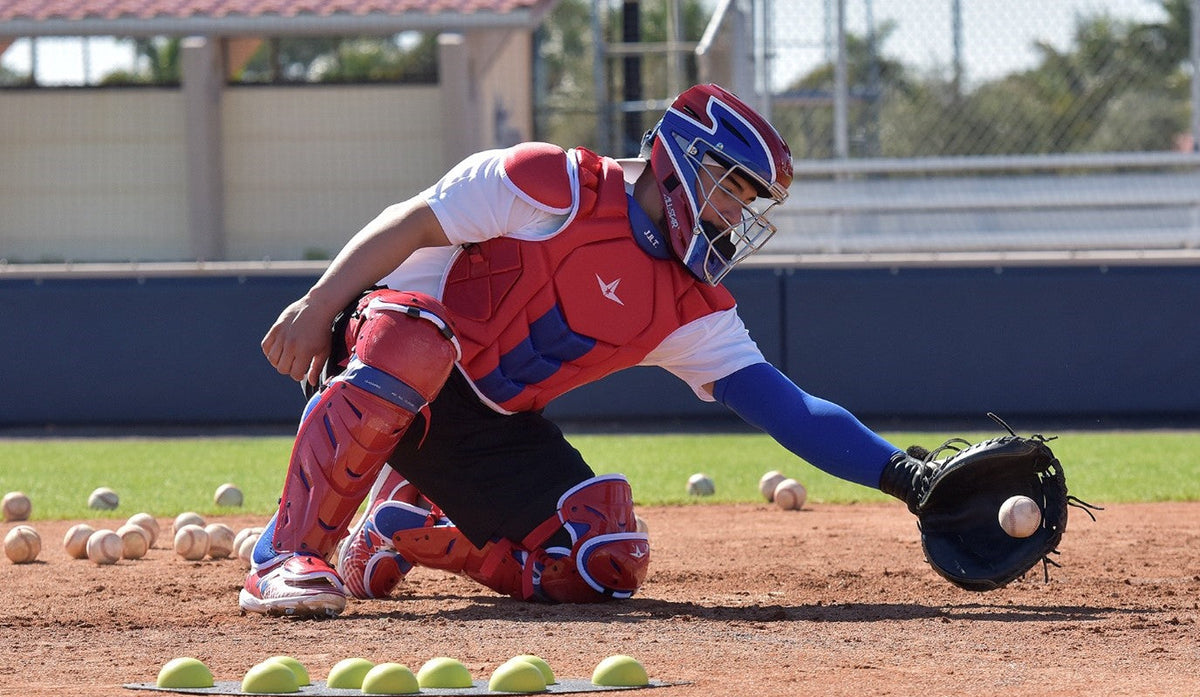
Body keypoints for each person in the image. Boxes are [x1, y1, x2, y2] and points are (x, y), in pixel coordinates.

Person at [240, 83, 931, 619]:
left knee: (603, 561)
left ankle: (403, 525)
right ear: (682, 159)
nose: (733, 215)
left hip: (484, 430)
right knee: (421, 344)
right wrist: (319, 304)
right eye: (732, 188)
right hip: (376, 347)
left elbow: (793, 411)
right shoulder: (552, 183)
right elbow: (414, 221)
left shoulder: (690, 305)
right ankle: (285, 556)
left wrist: (912, 479)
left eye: (748, 202)